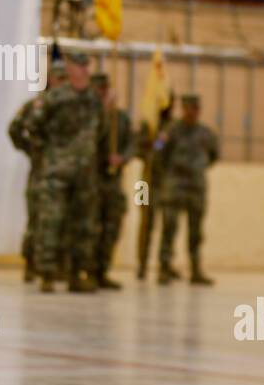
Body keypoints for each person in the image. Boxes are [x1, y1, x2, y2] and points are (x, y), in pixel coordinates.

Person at [29, 52, 108, 293]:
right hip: (57, 171)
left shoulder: (94, 100)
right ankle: (47, 274)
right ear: (70, 68)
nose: (83, 70)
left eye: (86, 66)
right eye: (78, 65)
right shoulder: (55, 98)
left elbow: (102, 130)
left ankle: (77, 274)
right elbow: (34, 127)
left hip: (85, 174)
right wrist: (48, 155)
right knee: (51, 221)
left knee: (83, 225)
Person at [8, 56, 67, 282]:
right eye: (58, 78)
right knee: (37, 220)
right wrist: (31, 150)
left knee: (59, 219)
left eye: (65, 78)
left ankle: (55, 266)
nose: (61, 82)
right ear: (50, 79)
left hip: (63, 171)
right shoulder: (36, 105)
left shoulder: (70, 105)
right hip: (41, 171)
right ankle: (31, 264)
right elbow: (14, 129)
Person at [158, 93, 219, 286]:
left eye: (194, 108)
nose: (191, 112)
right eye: (187, 108)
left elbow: (214, 156)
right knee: (169, 228)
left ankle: (196, 270)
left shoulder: (207, 133)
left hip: (196, 188)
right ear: (182, 109)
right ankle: (164, 268)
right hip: (174, 187)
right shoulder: (170, 130)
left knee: (196, 232)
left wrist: (197, 170)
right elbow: (159, 151)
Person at [92, 72, 135, 289]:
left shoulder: (122, 119)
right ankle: (86, 271)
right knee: (90, 228)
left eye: (105, 89)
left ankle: (102, 270)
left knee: (112, 227)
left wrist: (123, 158)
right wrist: (103, 112)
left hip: (113, 182)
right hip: (91, 181)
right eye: (98, 89)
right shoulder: (88, 115)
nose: (102, 92)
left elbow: (131, 144)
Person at [136, 96, 176, 281]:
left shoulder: (174, 128)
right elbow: (138, 149)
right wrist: (152, 144)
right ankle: (142, 264)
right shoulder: (147, 125)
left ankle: (164, 265)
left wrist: (162, 143)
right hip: (145, 183)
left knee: (169, 224)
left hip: (167, 183)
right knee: (145, 223)